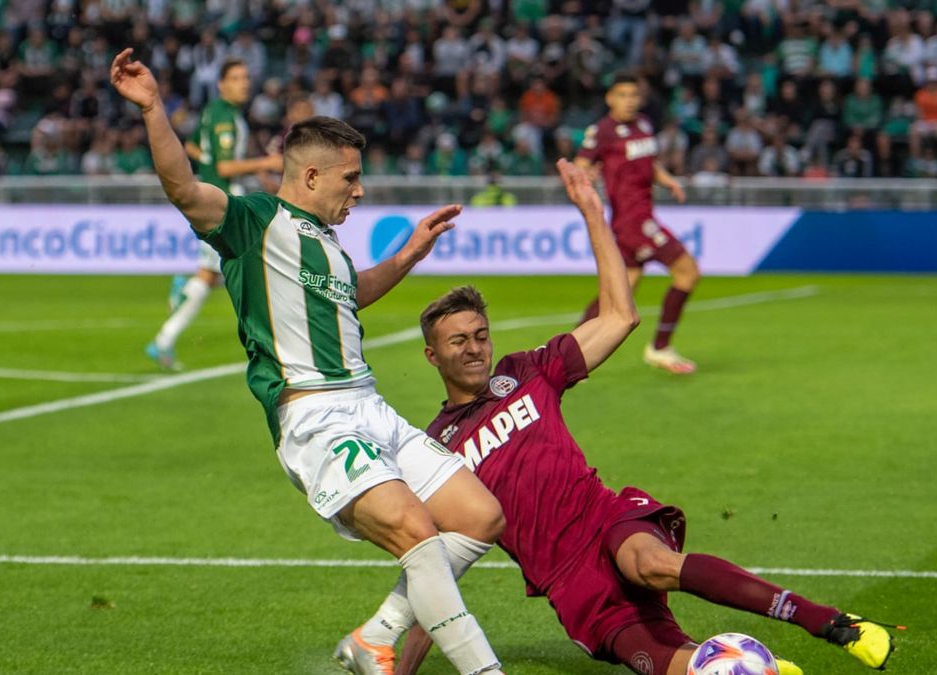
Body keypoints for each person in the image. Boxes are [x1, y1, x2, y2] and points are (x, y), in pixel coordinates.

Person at [370, 160, 899, 675]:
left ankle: (832, 623)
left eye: (481, 335)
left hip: (608, 522)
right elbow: (436, 571)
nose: (475, 349)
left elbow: (621, 316)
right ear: (432, 356)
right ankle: (750, 666)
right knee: (682, 665)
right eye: (458, 341)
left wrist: (594, 216)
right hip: (572, 585)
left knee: (649, 564)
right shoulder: (434, 447)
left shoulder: (526, 372)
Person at [109, 49, 507, 675]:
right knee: (417, 534)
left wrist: (410, 254)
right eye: (350, 177)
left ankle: (375, 637)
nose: (361, 188)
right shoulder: (255, 223)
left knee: (479, 516)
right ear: (313, 177)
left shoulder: (327, 244)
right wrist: (154, 108)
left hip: (370, 405)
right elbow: (184, 188)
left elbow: (354, 292)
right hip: (316, 417)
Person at [145, 59, 282, 371]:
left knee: (221, 272)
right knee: (235, 270)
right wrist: (267, 163)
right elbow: (223, 167)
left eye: (246, 77)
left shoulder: (215, 113)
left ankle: (171, 323)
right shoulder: (225, 117)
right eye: (236, 78)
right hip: (222, 206)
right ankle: (165, 337)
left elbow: (193, 148)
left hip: (218, 200)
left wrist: (245, 171)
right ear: (221, 84)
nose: (243, 83)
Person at [575, 72, 699, 375]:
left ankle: (567, 356)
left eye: (634, 95)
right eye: (623, 95)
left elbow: (648, 162)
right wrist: (586, 176)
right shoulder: (602, 131)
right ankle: (660, 347)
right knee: (687, 273)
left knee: (620, 290)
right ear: (610, 98)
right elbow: (581, 164)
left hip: (641, 216)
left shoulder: (643, 124)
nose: (629, 101)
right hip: (633, 221)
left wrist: (668, 180)